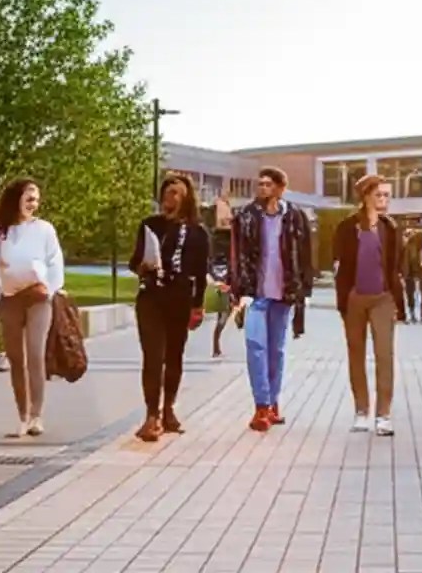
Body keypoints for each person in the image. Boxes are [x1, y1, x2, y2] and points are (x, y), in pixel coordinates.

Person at [230, 166, 314, 432]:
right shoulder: (245, 216)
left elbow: (305, 256)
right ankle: (261, 406)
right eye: (260, 184)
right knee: (255, 347)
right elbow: (236, 253)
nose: (262, 189)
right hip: (255, 294)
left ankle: (273, 403)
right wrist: (236, 288)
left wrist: (303, 292)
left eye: (268, 184)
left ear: (280, 188)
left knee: (276, 350)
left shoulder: (295, 217)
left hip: (284, 293)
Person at [129, 174, 210, 442]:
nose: (170, 198)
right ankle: (151, 416)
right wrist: (143, 265)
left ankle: (168, 411)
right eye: (167, 192)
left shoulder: (198, 233)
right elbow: (135, 260)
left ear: (186, 198)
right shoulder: (150, 225)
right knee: (153, 356)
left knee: (174, 356)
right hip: (151, 296)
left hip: (179, 299)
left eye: (176, 193)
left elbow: (200, 273)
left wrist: (197, 306)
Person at [0, 178, 66, 439]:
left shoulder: (44, 229)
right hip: (10, 297)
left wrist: (49, 288)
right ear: (16, 199)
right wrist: (0, 281)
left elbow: (55, 262)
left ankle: (36, 415)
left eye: (36, 199)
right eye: (29, 198)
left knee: (34, 354)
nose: (34, 204)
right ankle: (22, 414)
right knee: (15, 357)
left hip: (38, 297)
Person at [333, 174, 405, 436]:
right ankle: (362, 410)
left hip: (383, 298)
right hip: (355, 297)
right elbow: (339, 263)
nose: (384, 199)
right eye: (379, 195)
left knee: (384, 355)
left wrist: (399, 301)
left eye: (387, 195)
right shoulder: (347, 227)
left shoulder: (390, 228)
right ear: (366, 196)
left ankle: (384, 414)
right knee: (356, 354)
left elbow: (396, 267)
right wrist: (344, 296)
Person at [208, 226, 234, 358]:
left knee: (223, 316)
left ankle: (216, 347)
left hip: (223, 286)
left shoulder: (216, 255)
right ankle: (216, 347)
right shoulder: (228, 256)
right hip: (224, 288)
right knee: (223, 317)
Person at [402, 228, 422, 324]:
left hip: (416, 269)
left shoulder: (411, 242)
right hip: (419, 269)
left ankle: (415, 314)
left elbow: (407, 258)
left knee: (415, 292)